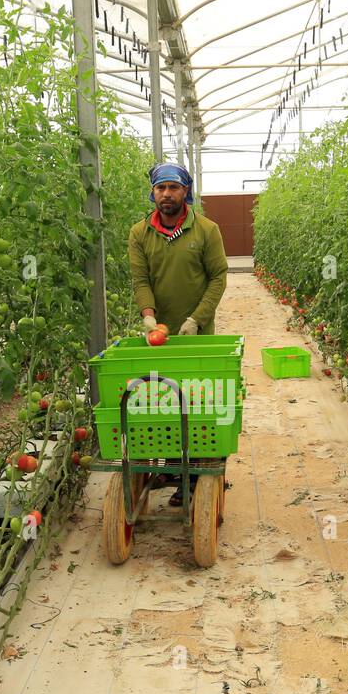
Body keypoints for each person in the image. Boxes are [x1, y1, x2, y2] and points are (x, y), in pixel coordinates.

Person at [127, 163, 229, 506]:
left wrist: (197, 318)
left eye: (173, 187)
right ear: (152, 193)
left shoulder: (206, 230)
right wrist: (149, 316)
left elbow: (218, 276)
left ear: (186, 191)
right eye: (160, 188)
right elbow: (141, 280)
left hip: (197, 331)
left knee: (197, 401)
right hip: (159, 334)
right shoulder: (140, 233)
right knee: (163, 399)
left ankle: (196, 475)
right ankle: (172, 467)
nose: (166, 194)